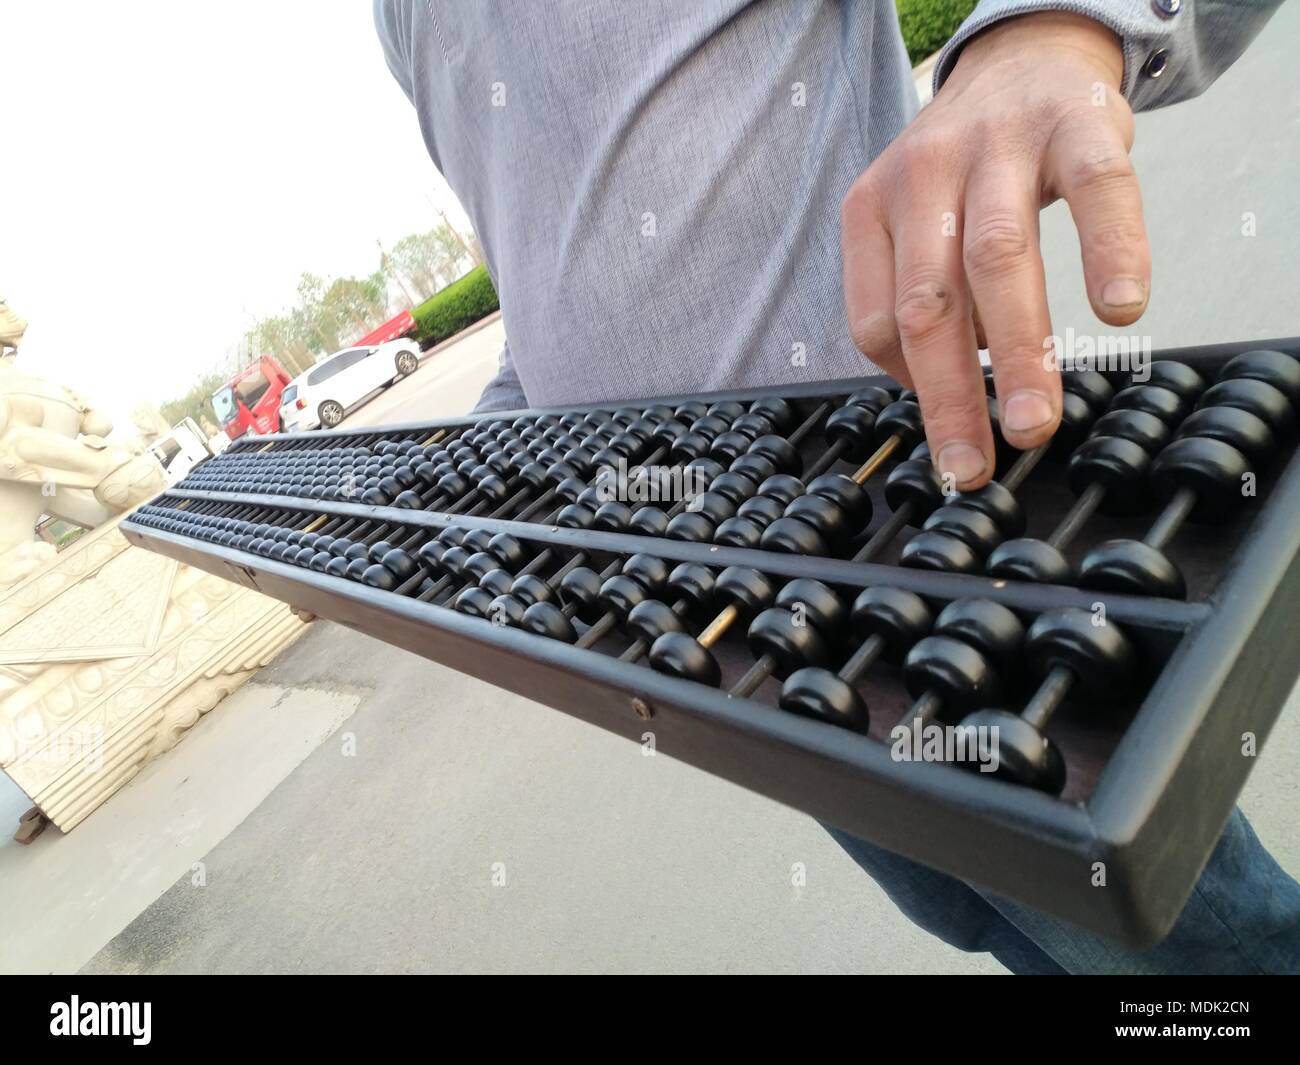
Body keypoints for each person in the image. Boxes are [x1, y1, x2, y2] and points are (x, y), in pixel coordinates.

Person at [372, 0, 1299, 972]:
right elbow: (541, 272)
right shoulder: (400, 17)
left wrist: (1059, 26)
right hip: (716, 618)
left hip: (900, 510)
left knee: (1189, 950)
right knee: (980, 918)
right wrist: (482, 453)